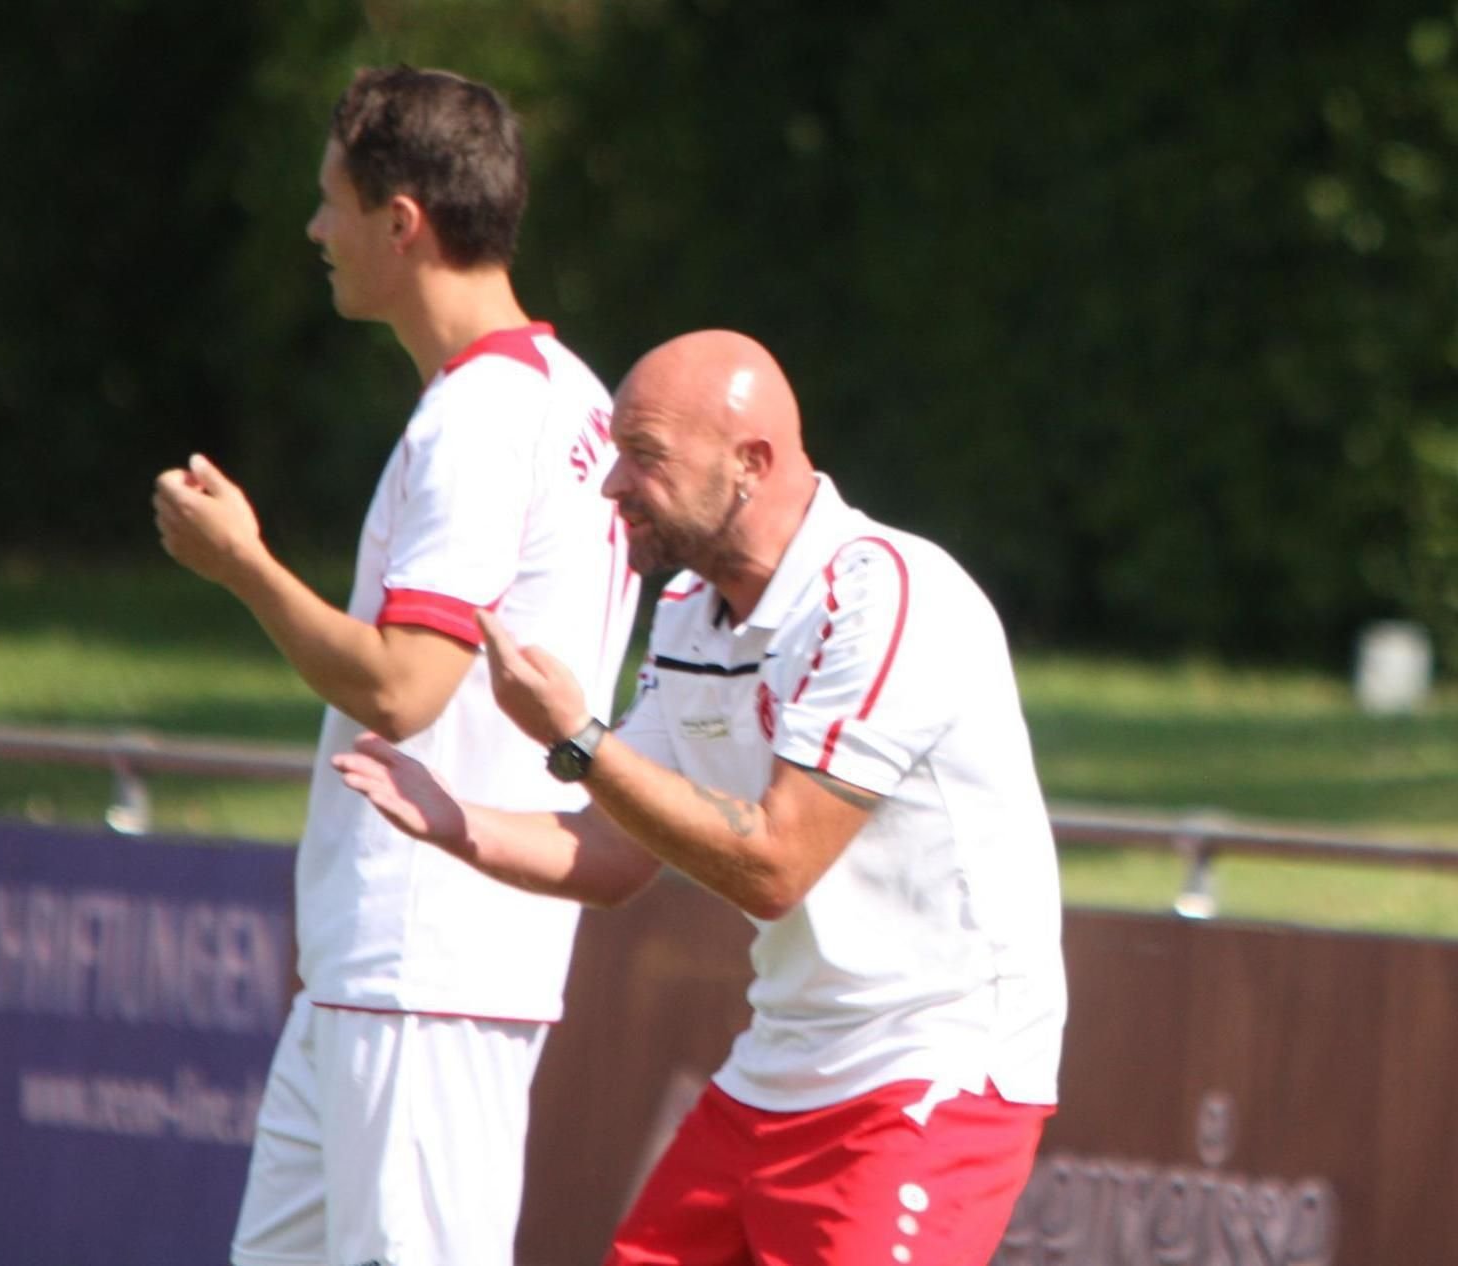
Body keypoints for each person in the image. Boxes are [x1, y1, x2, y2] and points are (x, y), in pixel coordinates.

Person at [335, 328, 1067, 1266]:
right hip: (777, 1067)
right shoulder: (687, 612)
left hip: (931, 1075)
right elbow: (615, 853)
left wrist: (576, 736)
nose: (612, 486)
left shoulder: (885, 596)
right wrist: (457, 823)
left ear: (751, 463)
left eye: (644, 456)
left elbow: (775, 868)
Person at [152, 66, 637, 1266]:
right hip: (393, 968)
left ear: (402, 220)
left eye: (333, 201)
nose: (316, 228)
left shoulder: (478, 418)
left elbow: (401, 689)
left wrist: (243, 565)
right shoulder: (565, 394)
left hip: (426, 959)